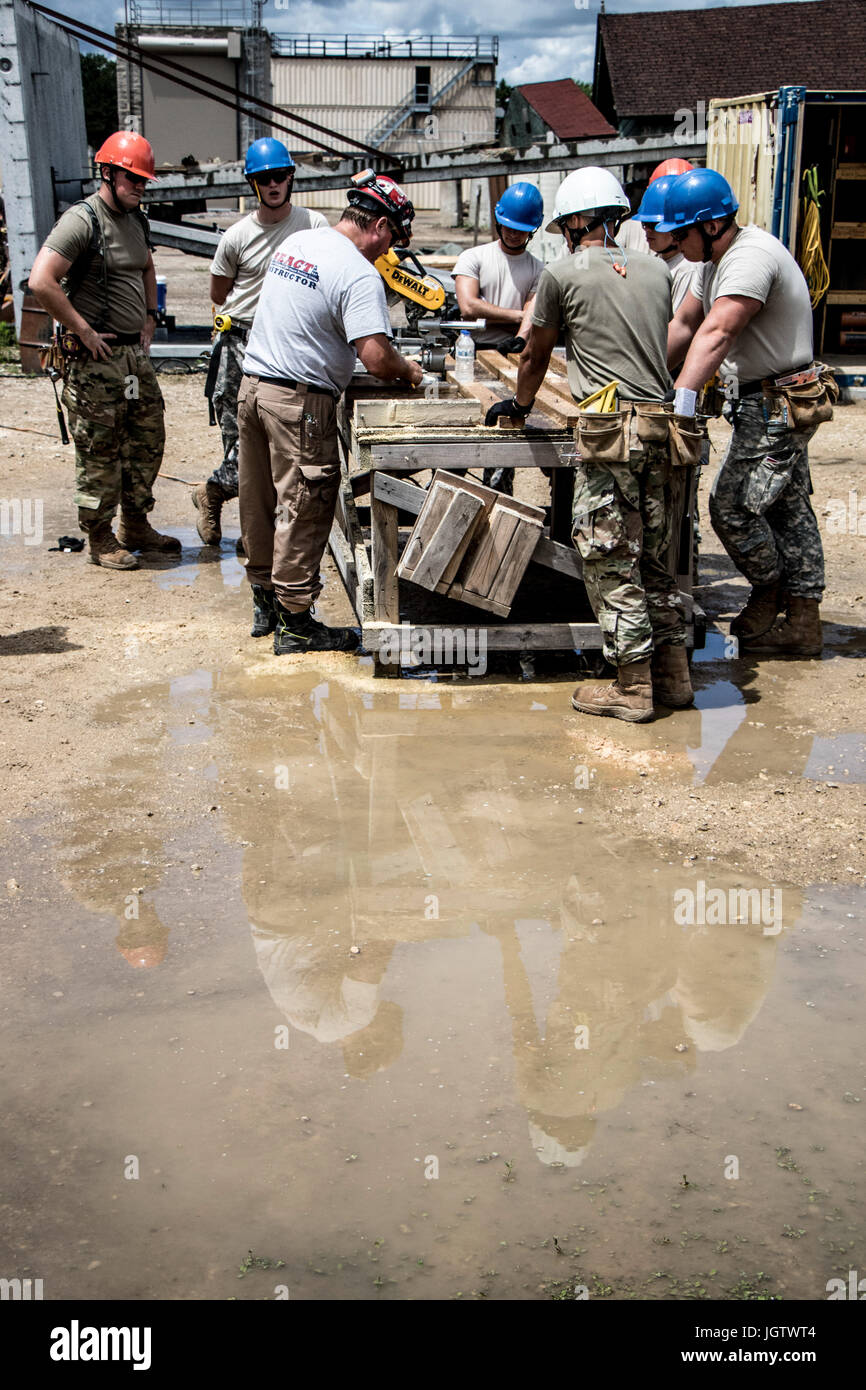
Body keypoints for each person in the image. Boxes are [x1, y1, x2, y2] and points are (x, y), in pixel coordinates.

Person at [486, 166, 691, 722]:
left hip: (610, 434)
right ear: (617, 215)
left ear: (577, 221)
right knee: (655, 558)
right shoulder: (656, 270)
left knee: (607, 555)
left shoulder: (560, 274)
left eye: (565, 224)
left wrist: (521, 406)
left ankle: (631, 688)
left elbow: (534, 353)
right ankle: (673, 677)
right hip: (663, 428)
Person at [237, 170, 424, 653]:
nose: (389, 253)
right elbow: (378, 358)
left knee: (260, 501)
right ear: (380, 225)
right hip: (299, 402)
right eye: (392, 241)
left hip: (254, 387)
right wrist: (411, 372)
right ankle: (296, 624)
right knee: (304, 504)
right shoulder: (358, 271)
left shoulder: (301, 241)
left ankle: (266, 601)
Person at [663, 168, 830, 656]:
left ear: (711, 225)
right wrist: (644, 374)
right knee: (788, 505)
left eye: (680, 232)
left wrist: (683, 401)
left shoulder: (749, 257)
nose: (673, 242)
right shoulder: (710, 259)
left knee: (732, 507)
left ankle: (771, 589)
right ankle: (803, 619)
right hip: (762, 400)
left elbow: (717, 332)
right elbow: (685, 323)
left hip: (780, 401)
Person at [29, 131, 177, 570]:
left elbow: (147, 265)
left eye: (144, 181)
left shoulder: (136, 219)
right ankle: (100, 537)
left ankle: (136, 524)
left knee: (146, 439)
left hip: (132, 358)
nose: (139, 187)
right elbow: (41, 281)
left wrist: (150, 314)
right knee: (100, 448)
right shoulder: (83, 220)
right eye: (132, 178)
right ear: (108, 173)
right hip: (95, 362)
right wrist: (83, 329)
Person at [192, 138, 329, 546]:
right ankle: (217, 496)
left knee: (283, 444)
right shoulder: (236, 237)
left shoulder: (313, 225)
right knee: (242, 444)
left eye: (280, 177)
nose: (274, 185)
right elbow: (220, 293)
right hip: (242, 345)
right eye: (265, 179)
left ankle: (255, 528)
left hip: (291, 344)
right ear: (253, 184)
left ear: (291, 179)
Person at [453, 182, 544, 356]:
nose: (514, 234)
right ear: (499, 222)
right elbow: (468, 308)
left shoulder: (539, 270)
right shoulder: (473, 257)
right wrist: (518, 317)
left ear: (532, 229)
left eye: (520, 230)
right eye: (509, 227)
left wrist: (486, 316)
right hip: (472, 348)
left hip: (514, 349)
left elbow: (531, 322)